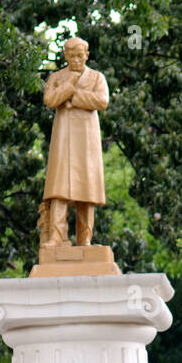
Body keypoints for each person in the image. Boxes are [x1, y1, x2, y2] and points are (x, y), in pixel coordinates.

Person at [42, 37, 109, 248]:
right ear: (65, 56)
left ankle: (85, 238)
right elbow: (51, 100)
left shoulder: (97, 78)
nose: (76, 60)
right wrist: (68, 87)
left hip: (86, 140)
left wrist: (74, 98)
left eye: (80, 56)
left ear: (87, 55)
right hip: (63, 138)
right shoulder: (57, 77)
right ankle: (56, 236)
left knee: (87, 190)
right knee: (58, 187)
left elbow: (102, 101)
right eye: (71, 56)